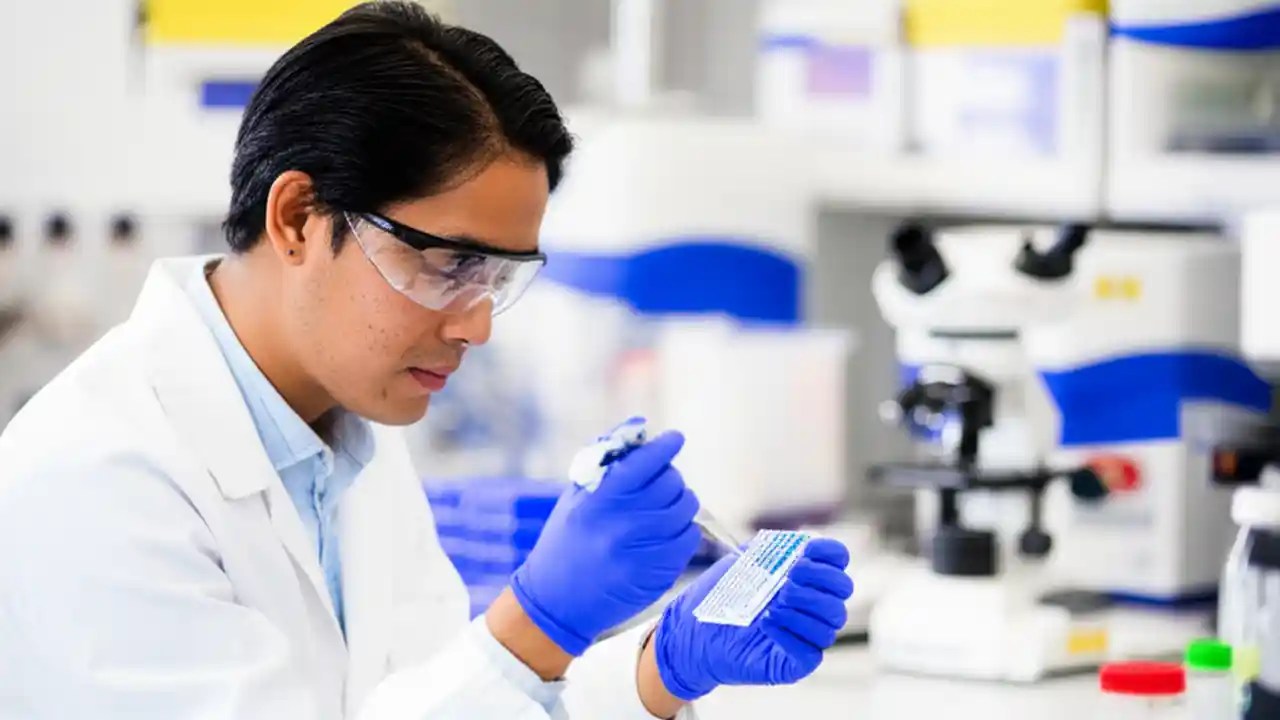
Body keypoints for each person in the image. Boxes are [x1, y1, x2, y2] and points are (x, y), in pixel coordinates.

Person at [0, 3, 853, 718]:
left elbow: (431, 702)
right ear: (298, 216)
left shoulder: (347, 440)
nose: (478, 324)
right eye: (450, 266)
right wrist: (540, 620)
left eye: (499, 278)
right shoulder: (95, 478)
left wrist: (658, 671)